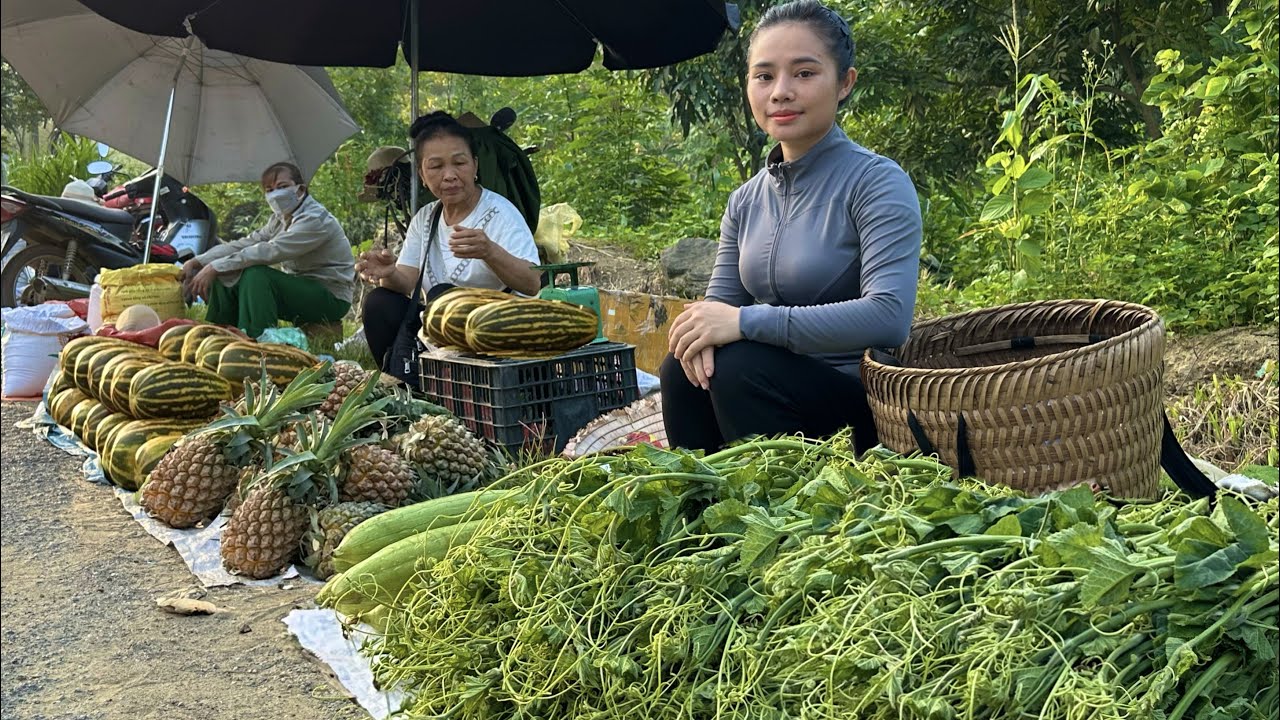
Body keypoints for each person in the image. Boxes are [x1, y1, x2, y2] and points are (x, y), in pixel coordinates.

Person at [661, 0, 923, 454]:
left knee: (740, 364)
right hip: (764, 390)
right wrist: (698, 336)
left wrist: (748, 321)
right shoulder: (745, 201)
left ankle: (784, 514)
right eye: (764, 76)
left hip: (860, 404)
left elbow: (888, 317)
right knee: (680, 369)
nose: (780, 92)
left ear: (845, 83)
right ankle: (708, 508)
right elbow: (717, 309)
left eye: (803, 73)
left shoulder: (876, 182)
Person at [356, 111, 541, 370]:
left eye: (459, 163)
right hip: (442, 334)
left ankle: (463, 389)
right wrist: (388, 273)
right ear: (421, 174)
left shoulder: (501, 213)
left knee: (443, 296)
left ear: (475, 165)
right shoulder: (426, 218)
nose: (450, 175)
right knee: (380, 303)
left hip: (498, 336)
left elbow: (532, 284)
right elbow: (405, 282)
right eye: (436, 166)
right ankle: (403, 383)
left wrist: (490, 252)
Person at [181, 162, 354, 340]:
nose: (275, 194)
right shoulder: (279, 219)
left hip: (330, 297)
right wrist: (199, 261)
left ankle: (257, 341)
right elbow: (245, 244)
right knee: (228, 269)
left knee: (256, 274)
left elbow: (271, 251)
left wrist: (214, 267)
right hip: (298, 289)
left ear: (300, 190)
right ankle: (223, 334)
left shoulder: (315, 219)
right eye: (269, 190)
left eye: (282, 187)